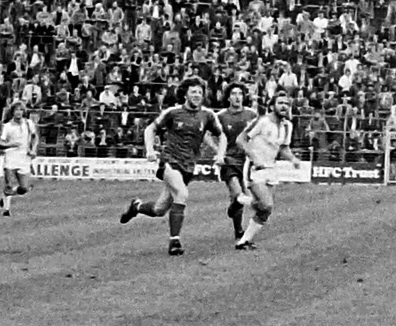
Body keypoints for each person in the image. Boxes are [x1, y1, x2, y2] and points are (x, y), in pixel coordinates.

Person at [122, 79, 223, 256]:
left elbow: (222, 135)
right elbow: (150, 129)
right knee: (182, 193)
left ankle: (136, 207)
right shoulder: (173, 112)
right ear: (185, 94)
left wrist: (220, 154)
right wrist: (150, 150)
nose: (197, 95)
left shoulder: (207, 115)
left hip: (188, 166)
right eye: (193, 91)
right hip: (170, 161)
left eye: (200, 92)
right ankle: (174, 241)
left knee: (159, 209)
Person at [232, 95, 297, 250]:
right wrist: (254, 157)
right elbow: (240, 140)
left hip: (271, 169)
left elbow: (283, 148)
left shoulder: (287, 126)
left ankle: (243, 241)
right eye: (280, 103)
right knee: (267, 205)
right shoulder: (262, 121)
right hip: (255, 169)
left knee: (263, 210)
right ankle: (240, 200)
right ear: (272, 105)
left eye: (286, 104)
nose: (284, 106)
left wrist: (293, 159)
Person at [214, 84, 259, 242]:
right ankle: (239, 231)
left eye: (240, 93)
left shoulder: (252, 114)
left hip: (246, 161)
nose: (237, 97)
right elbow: (207, 134)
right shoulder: (221, 116)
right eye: (234, 93)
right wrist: (218, 151)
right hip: (229, 159)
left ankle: (236, 218)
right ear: (228, 97)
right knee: (237, 192)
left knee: (242, 197)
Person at [0, 101, 35, 216]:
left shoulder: (28, 123)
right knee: (10, 184)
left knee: (24, 188)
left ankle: (5, 194)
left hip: (24, 159)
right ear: (12, 112)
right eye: (16, 110)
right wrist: (10, 144)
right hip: (10, 158)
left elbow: (34, 137)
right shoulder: (7, 126)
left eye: (21, 110)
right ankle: (6, 210)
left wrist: (33, 149)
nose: (19, 112)